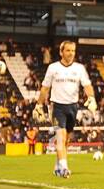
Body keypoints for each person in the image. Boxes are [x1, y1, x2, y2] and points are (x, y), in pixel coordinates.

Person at [37, 40, 95, 179]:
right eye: (68, 50)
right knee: (60, 138)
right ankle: (64, 168)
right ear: (61, 52)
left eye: (73, 51)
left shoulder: (79, 68)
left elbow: (87, 85)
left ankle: (58, 166)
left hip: (73, 107)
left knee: (67, 141)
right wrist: (39, 105)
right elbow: (45, 87)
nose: (71, 53)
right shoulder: (53, 68)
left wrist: (91, 97)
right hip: (57, 107)